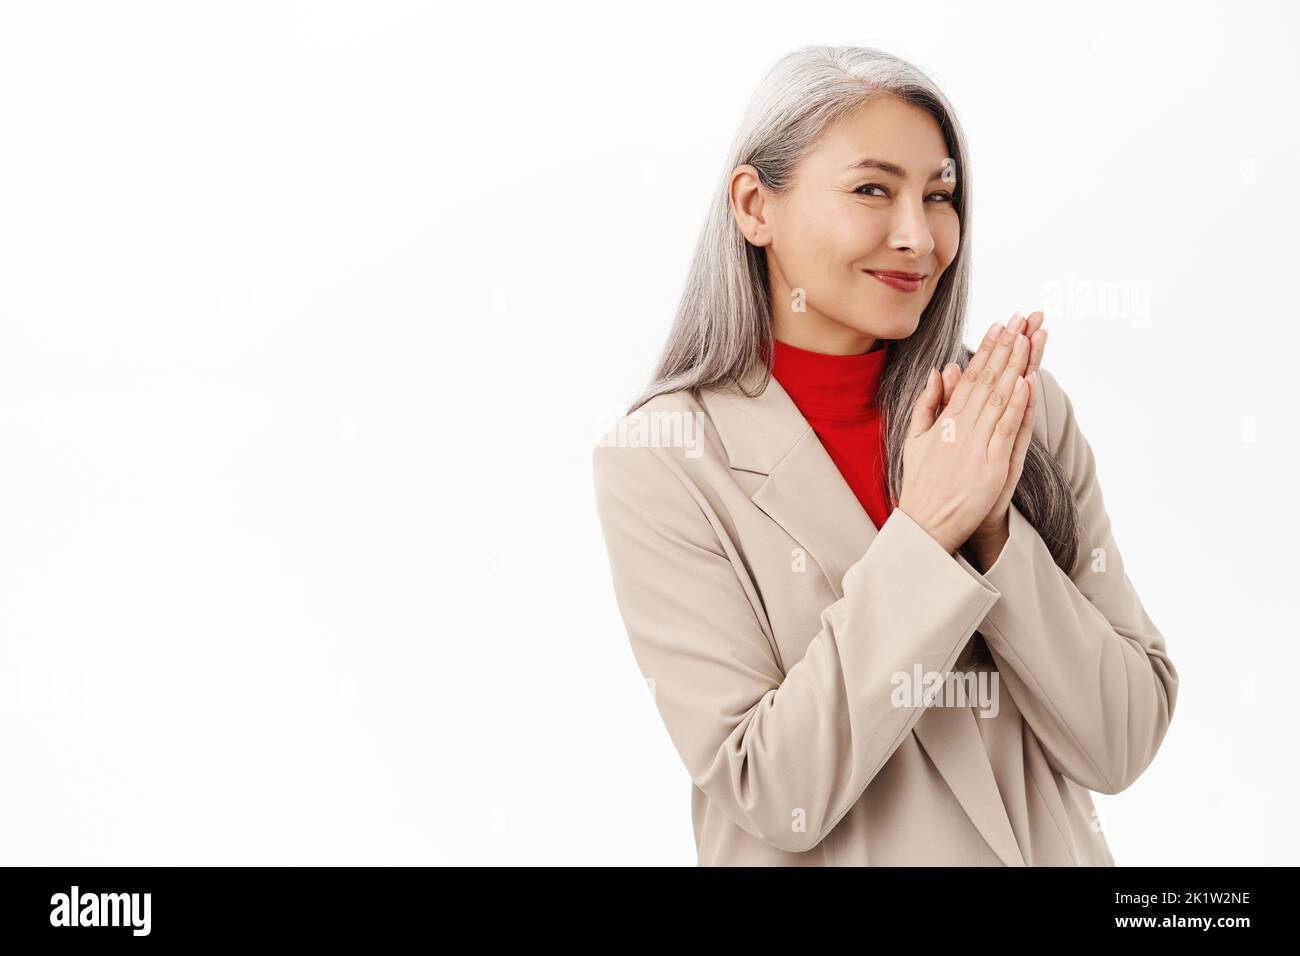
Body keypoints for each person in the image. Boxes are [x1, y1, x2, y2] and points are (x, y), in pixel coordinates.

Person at [592, 45, 1177, 866]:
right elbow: (775, 790)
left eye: (939, 195)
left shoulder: (1019, 411)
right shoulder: (664, 460)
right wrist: (929, 528)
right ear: (755, 206)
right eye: (873, 189)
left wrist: (996, 538)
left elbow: (1122, 740)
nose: (918, 235)